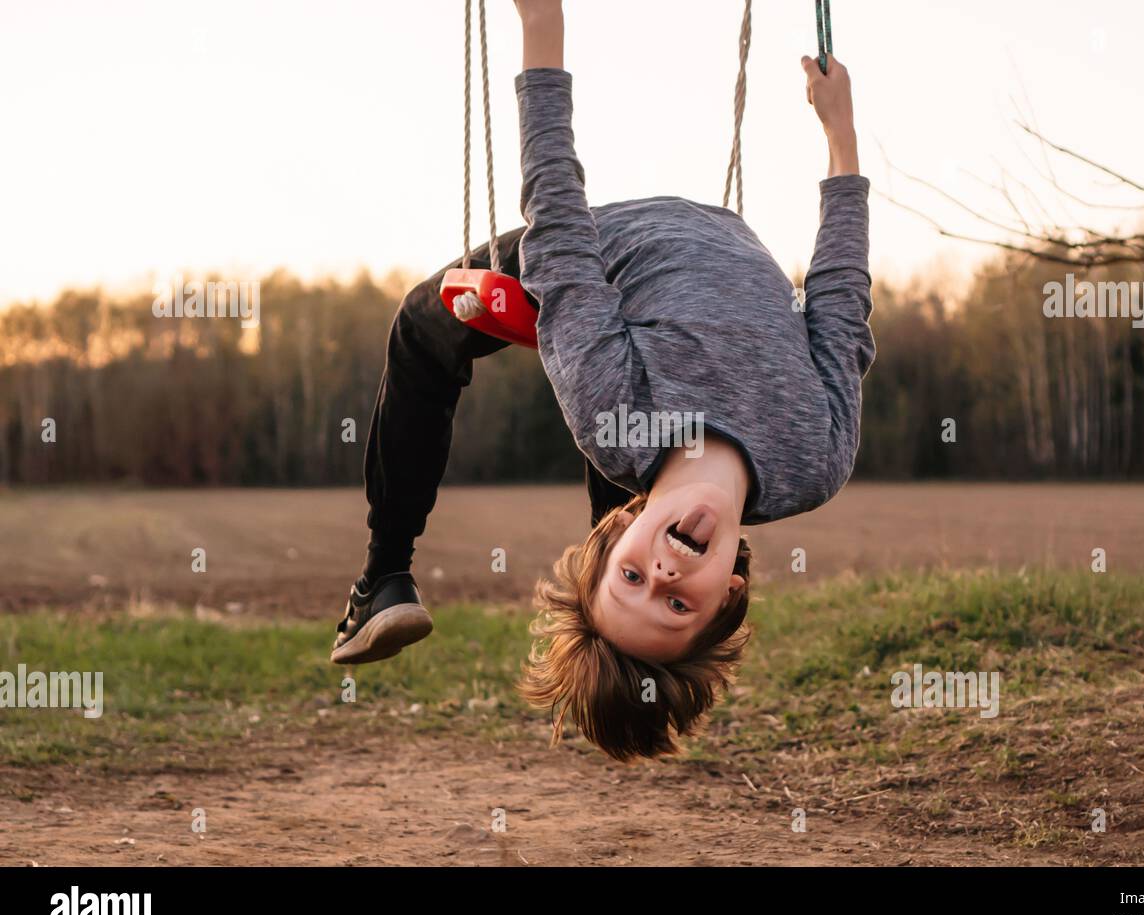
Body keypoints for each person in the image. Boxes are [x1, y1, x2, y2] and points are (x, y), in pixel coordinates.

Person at [333, 0, 874, 761]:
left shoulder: (614, 410)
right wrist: (839, 133)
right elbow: (842, 303)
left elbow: (557, 219)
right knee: (618, 442)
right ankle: (594, 469)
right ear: (727, 599)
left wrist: (541, 25)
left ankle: (383, 575)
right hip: (715, 245)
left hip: (603, 249)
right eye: (677, 602)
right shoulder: (814, 461)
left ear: (620, 535)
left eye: (632, 578)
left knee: (426, 327)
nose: (663, 572)